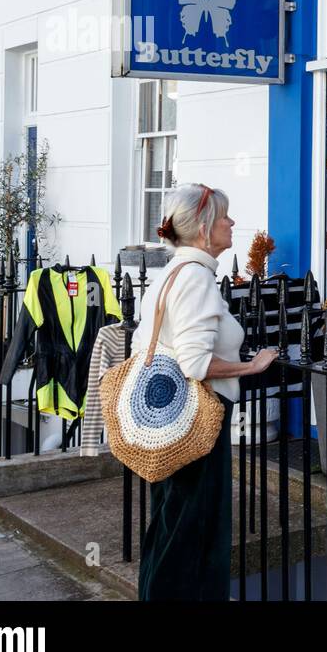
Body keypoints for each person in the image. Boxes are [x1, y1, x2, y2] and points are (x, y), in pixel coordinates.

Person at [134, 183, 276, 601]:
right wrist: (252, 365)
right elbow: (194, 363)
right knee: (195, 535)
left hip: (169, 420)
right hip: (198, 422)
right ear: (203, 229)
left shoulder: (173, 272)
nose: (232, 223)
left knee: (171, 527)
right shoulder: (195, 279)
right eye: (225, 217)